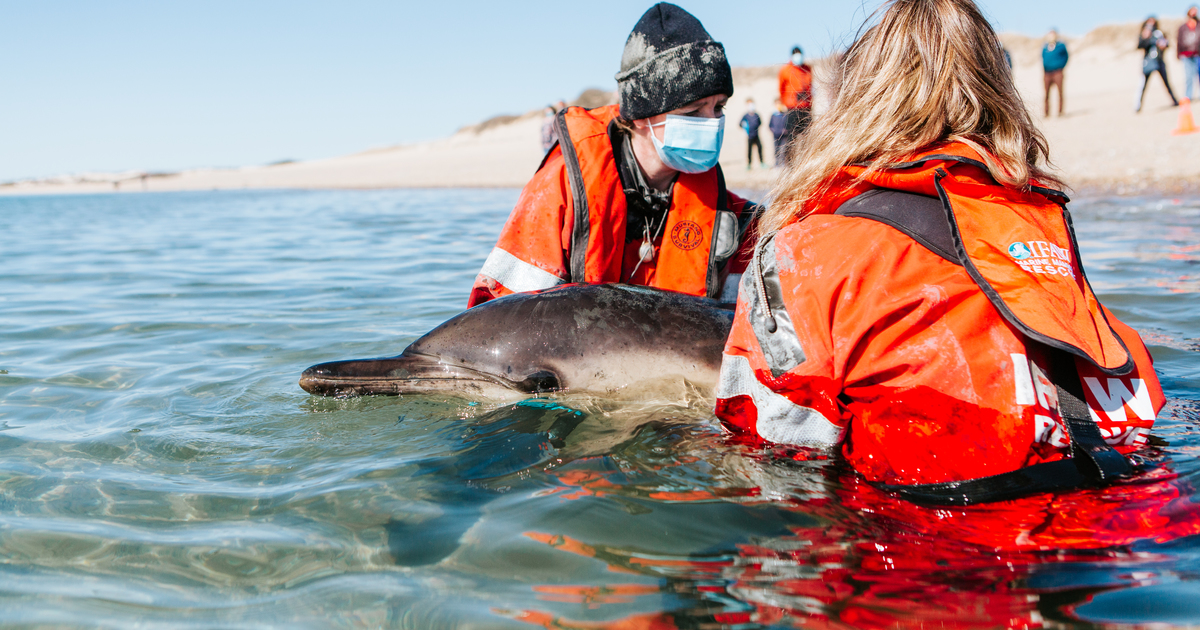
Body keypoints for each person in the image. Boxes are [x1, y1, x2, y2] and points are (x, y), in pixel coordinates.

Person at [714, 0, 1165, 502]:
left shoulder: (808, 250)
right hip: (1128, 523)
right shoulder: (1045, 231)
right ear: (998, 90)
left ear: (861, 98)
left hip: (929, 555)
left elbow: (765, 445)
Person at [468, 3, 760, 308]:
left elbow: (743, 333)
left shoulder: (736, 219)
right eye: (693, 111)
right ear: (640, 115)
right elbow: (492, 318)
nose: (713, 123)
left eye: (719, 108)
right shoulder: (561, 193)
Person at [776, 46, 813, 166]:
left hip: (806, 107)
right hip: (792, 108)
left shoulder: (807, 68)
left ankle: (807, 160)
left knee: (808, 135)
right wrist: (785, 102)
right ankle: (789, 162)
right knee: (791, 136)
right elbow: (781, 88)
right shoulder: (785, 70)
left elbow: (810, 86)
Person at [1138, 16, 1180, 112]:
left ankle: (1174, 100)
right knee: (1143, 85)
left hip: (1159, 61)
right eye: (1149, 22)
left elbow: (1167, 44)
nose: (1151, 25)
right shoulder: (1144, 33)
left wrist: (1163, 45)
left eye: (1153, 22)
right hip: (1148, 62)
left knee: (1166, 83)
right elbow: (1140, 45)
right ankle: (1138, 106)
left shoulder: (1159, 33)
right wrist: (1146, 38)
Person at [1042, 29, 1068, 116]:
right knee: (1046, 94)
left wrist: (1061, 66)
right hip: (1047, 73)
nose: (1051, 37)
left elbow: (1066, 56)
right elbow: (1042, 58)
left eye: (1053, 35)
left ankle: (1060, 112)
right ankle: (1046, 112)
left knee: (1060, 93)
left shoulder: (1061, 46)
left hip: (1057, 72)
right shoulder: (1045, 47)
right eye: (1050, 35)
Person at [1179, 6, 1200, 101]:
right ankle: (1188, 95)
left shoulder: (1199, 25)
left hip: (1197, 53)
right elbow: (1179, 40)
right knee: (1188, 76)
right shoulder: (1183, 27)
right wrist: (1178, 53)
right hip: (1186, 54)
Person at [739, 98, 764, 169]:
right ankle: (749, 164)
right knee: (749, 150)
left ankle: (762, 162)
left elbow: (760, 123)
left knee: (760, 148)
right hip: (749, 136)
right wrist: (745, 128)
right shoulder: (745, 116)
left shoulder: (756, 115)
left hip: (756, 135)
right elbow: (740, 124)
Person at [768, 99, 788, 167]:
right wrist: (773, 130)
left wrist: (785, 130)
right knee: (776, 149)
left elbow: (787, 124)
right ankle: (776, 162)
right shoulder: (773, 115)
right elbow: (770, 125)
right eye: (777, 104)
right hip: (776, 135)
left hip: (783, 136)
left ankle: (783, 162)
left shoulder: (785, 114)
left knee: (783, 149)